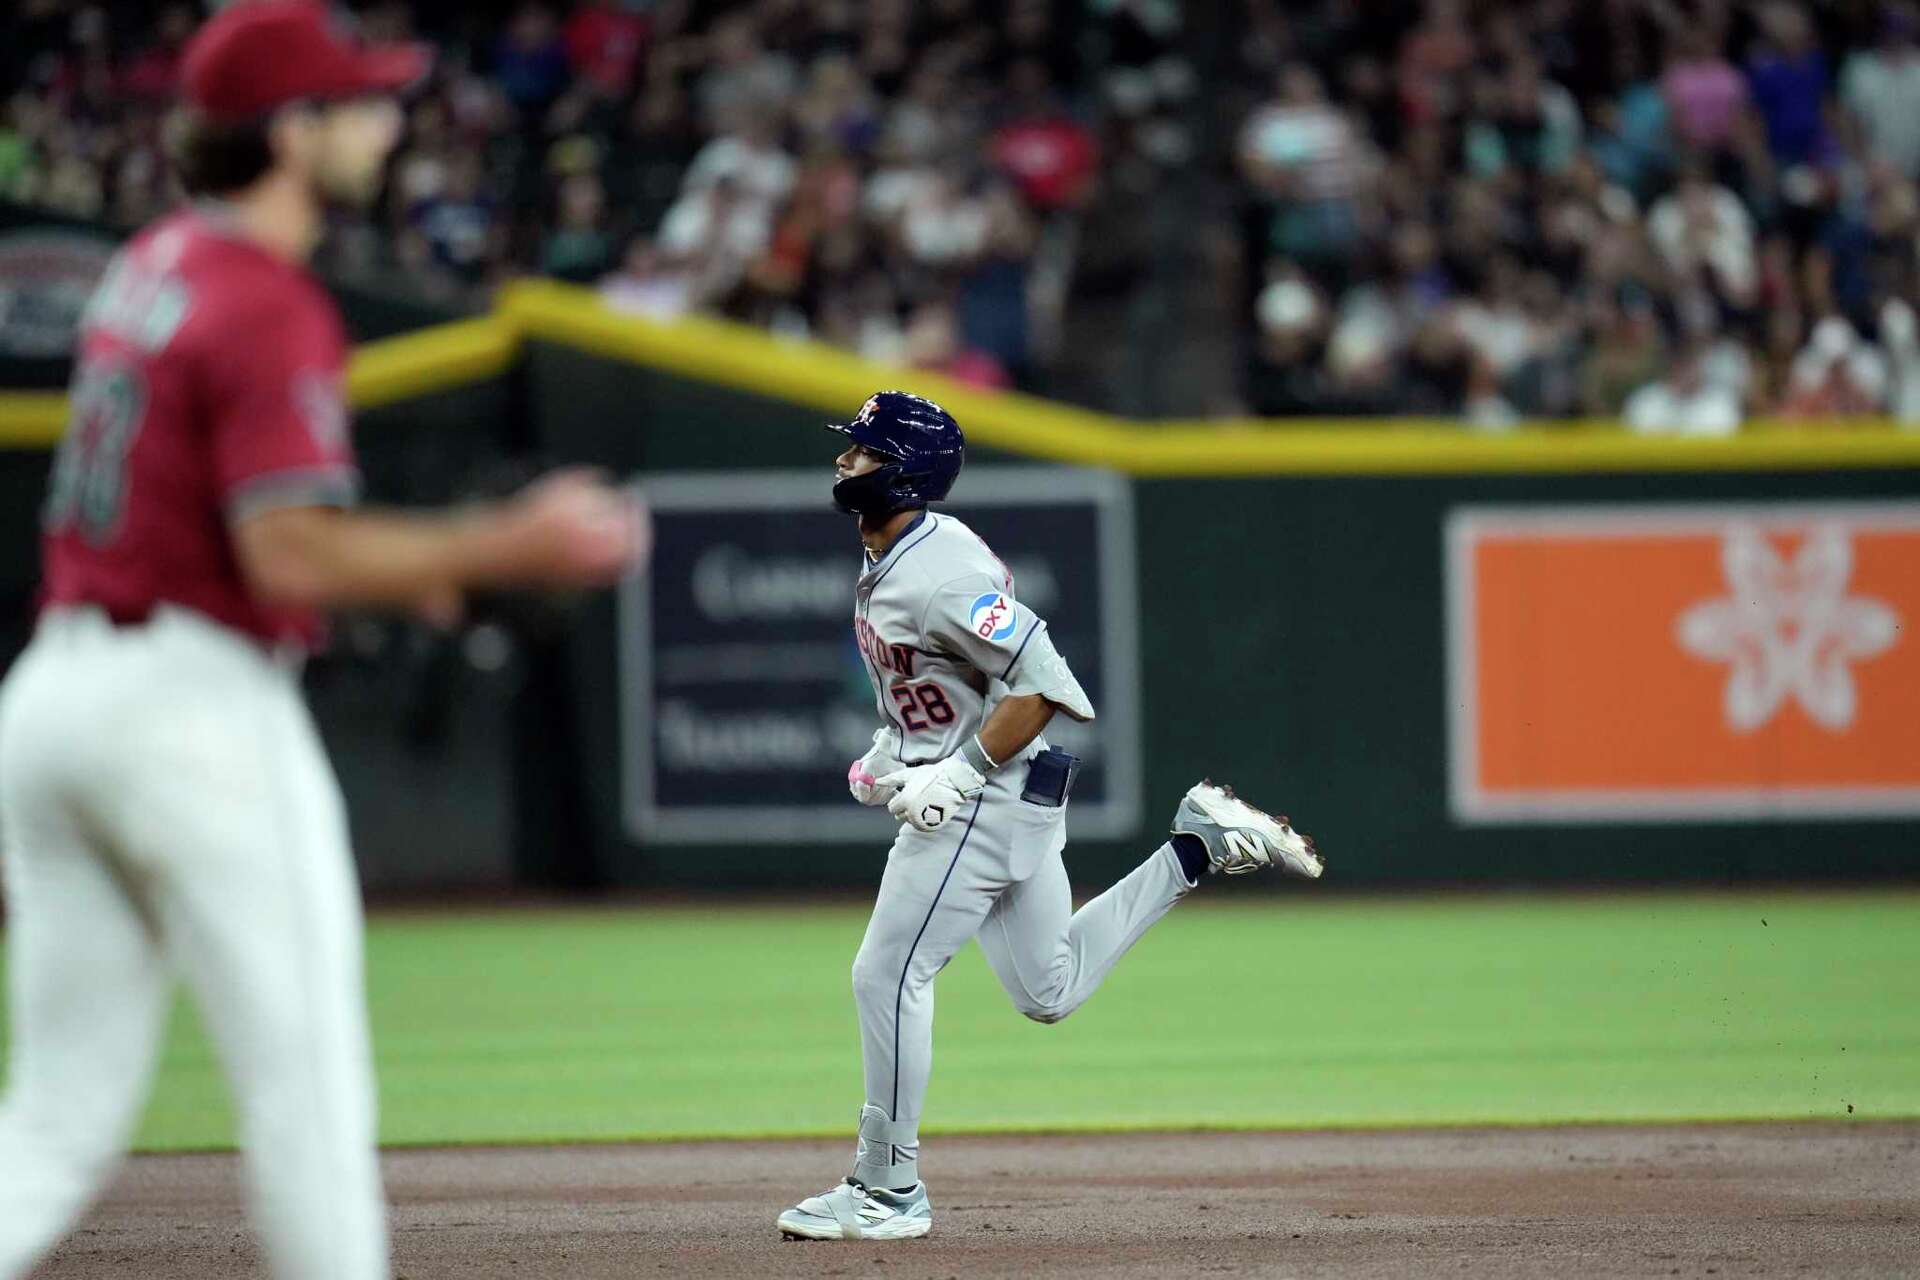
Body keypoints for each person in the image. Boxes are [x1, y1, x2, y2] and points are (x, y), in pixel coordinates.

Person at [0, 6, 645, 1279]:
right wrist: (501, 544)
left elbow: (225, 527)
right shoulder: (265, 298)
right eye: (360, 103)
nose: (388, 123)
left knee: (55, 1118)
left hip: (52, 698)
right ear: (291, 132)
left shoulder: (151, 264)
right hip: (190, 713)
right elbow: (288, 554)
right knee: (310, 1093)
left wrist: (419, 576)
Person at [774, 392, 1323, 1242]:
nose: (847, 461)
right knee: (1048, 988)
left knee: (886, 975)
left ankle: (888, 1189)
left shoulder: (939, 570)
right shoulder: (897, 553)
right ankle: (1197, 847)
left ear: (905, 471)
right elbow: (947, 681)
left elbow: (1048, 686)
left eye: (865, 451)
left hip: (984, 803)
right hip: (1010, 795)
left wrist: (957, 772)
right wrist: (897, 748)